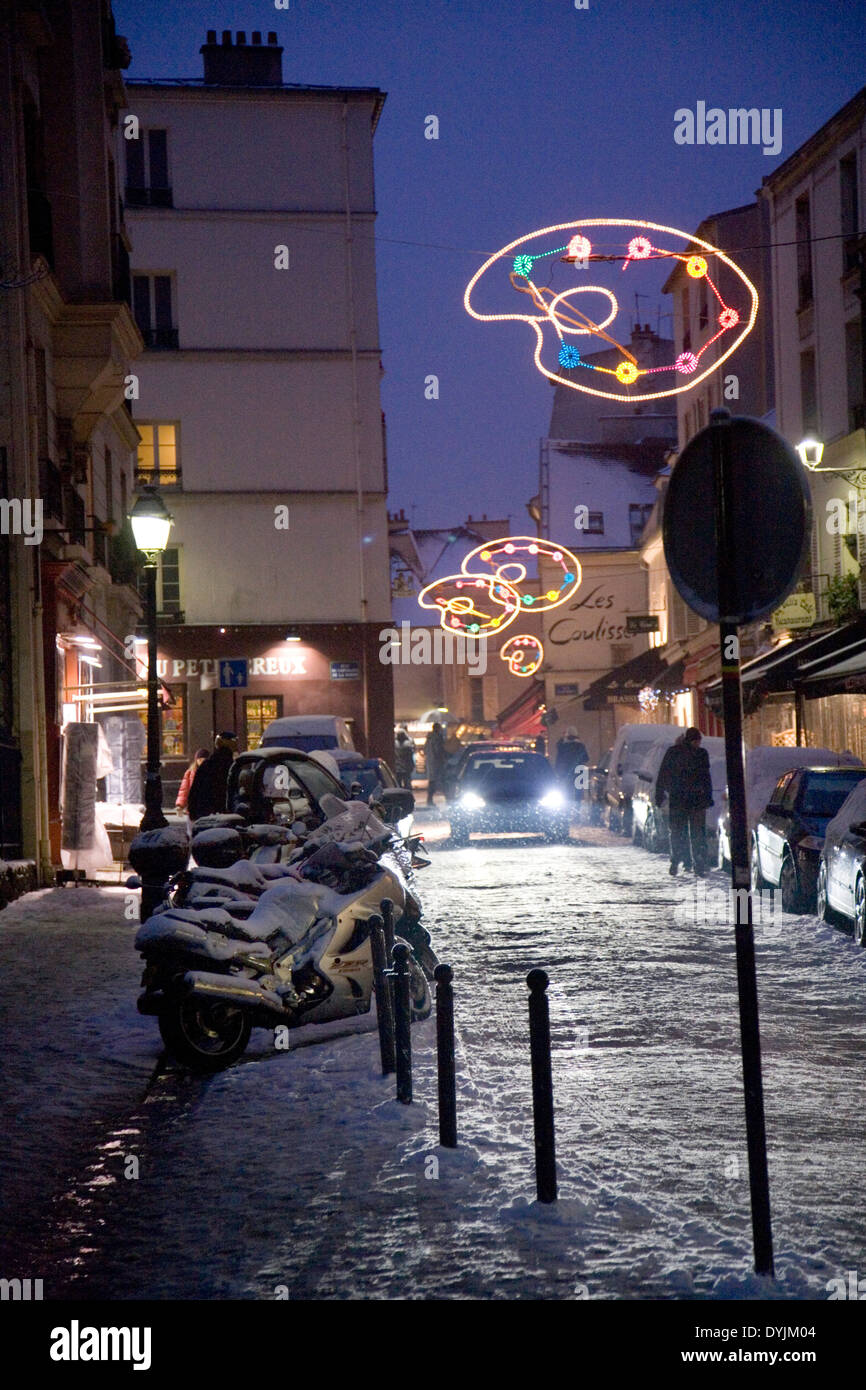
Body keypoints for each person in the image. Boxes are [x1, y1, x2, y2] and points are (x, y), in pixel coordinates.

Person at [655, 727, 713, 877]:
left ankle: (676, 861)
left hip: (678, 799)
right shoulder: (701, 754)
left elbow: (663, 774)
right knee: (696, 834)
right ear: (695, 740)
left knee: (677, 833)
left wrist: (660, 794)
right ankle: (697, 863)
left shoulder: (673, 752)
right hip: (696, 800)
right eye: (697, 741)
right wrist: (707, 796)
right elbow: (706, 777)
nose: (698, 744)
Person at [187, 731, 238, 821]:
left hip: (205, 812)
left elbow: (195, 788)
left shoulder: (207, 764)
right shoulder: (233, 766)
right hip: (226, 814)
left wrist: (192, 811)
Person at [554, 726, 590, 803]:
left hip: (566, 772)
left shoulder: (563, 746)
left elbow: (558, 760)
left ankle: (568, 810)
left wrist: (558, 771)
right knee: (578, 794)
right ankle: (577, 809)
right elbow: (586, 758)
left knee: (567, 792)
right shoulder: (580, 746)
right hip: (579, 772)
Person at [175, 748, 209, 815]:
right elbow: (184, 790)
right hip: (193, 807)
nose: (201, 762)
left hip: (207, 807)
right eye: (199, 760)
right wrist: (180, 805)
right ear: (196, 760)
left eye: (204, 760)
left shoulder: (212, 772)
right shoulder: (190, 772)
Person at [424, 721, 447, 807]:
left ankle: (429, 799)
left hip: (430, 762)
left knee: (432, 780)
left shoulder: (429, 738)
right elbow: (438, 751)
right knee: (436, 780)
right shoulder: (437, 738)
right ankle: (430, 799)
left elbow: (425, 750)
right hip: (436, 762)